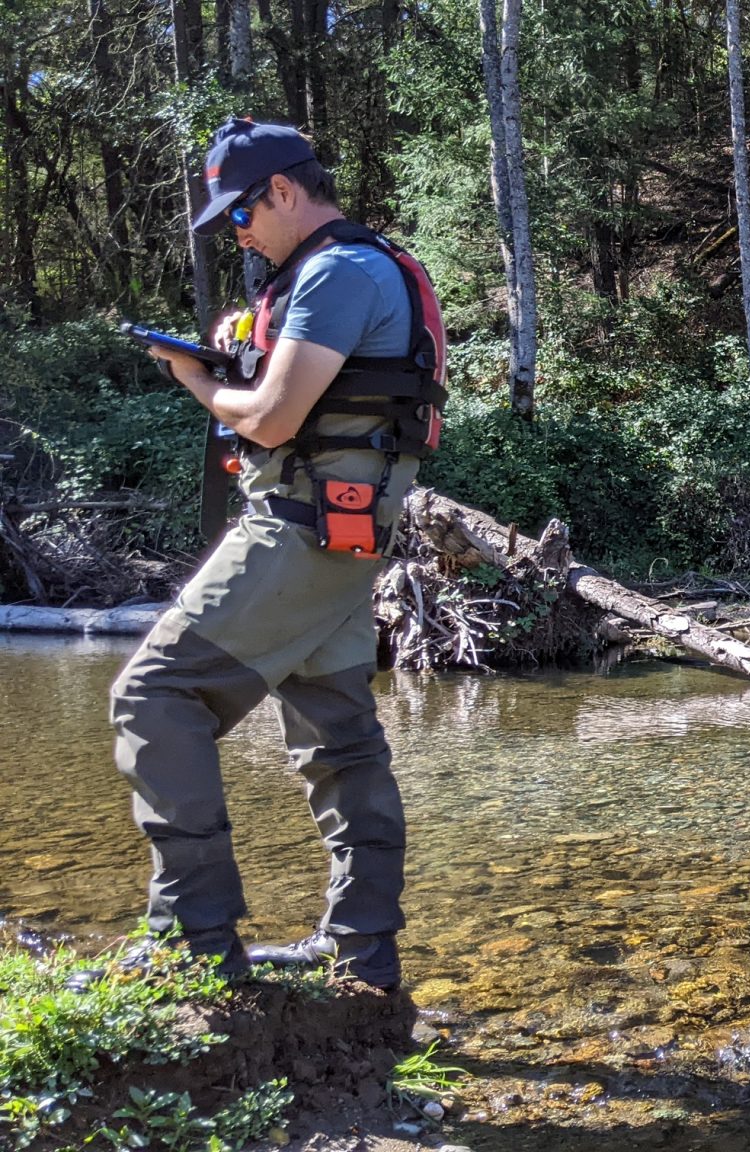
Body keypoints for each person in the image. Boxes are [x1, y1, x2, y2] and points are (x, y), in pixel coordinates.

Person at [81, 118, 445, 993]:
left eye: (240, 213)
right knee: (341, 742)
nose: (238, 232)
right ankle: (364, 954)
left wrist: (201, 381)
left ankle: (191, 939)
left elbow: (276, 419)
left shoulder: (333, 272)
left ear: (284, 190)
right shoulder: (355, 267)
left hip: (298, 531)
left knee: (156, 696)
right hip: (343, 536)